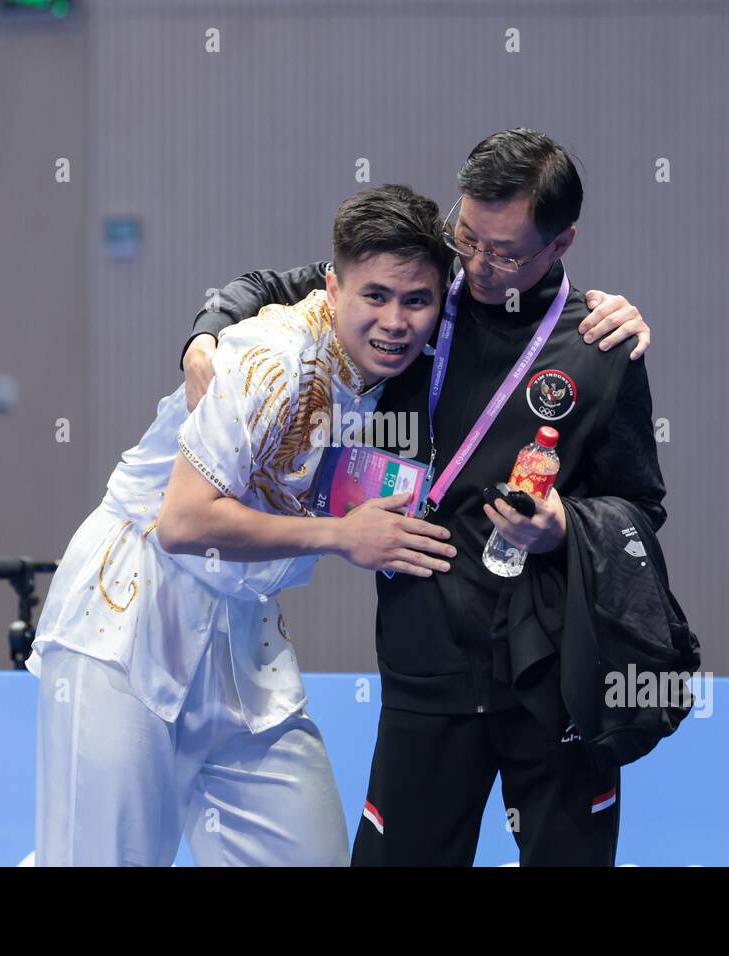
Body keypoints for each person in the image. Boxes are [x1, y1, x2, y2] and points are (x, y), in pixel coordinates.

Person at [180, 129, 667, 865]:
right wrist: (204, 337)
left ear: (561, 243)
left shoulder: (600, 345)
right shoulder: (416, 295)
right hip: (426, 672)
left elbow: (640, 506)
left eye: (504, 253)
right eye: (465, 234)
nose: (475, 265)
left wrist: (566, 525)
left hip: (553, 680)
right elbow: (264, 289)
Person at [27, 184, 458, 866]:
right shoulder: (271, 357)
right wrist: (343, 537)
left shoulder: (398, 367)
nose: (397, 321)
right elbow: (183, 520)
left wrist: (604, 319)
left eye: (417, 301)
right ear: (333, 287)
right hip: (129, 611)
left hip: (240, 632)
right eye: (375, 296)